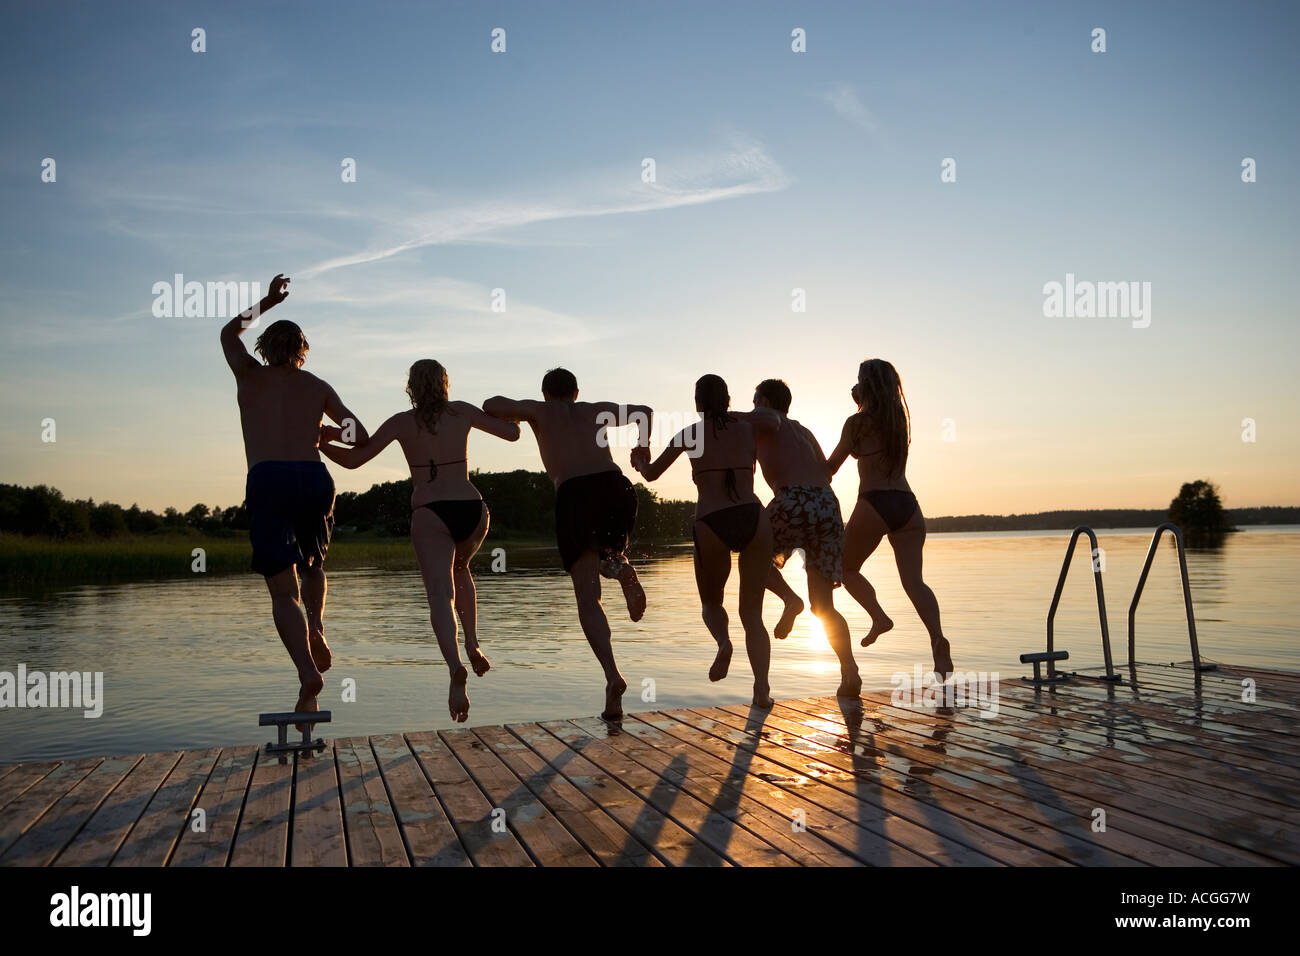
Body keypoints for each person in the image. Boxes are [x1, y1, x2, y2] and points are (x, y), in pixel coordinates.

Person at [319, 360, 520, 722]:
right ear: (445, 384)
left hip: (430, 510)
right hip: (472, 508)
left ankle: (455, 667)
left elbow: (354, 461)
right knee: (462, 569)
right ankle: (473, 643)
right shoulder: (462, 412)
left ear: (410, 387)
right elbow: (512, 435)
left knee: (440, 594)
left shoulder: (401, 422)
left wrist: (322, 443)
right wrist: (508, 411)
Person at [219, 273, 369, 727]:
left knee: (283, 591)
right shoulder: (317, 386)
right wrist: (325, 435)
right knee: (314, 565)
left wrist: (268, 301)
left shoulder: (249, 374)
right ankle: (318, 626)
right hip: (313, 476)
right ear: (303, 351)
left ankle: (307, 672)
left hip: (268, 478)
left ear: (264, 348)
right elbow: (359, 435)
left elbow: (228, 333)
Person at [484, 368, 651, 720]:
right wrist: (643, 446)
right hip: (615, 487)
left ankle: (613, 675)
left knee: (588, 598)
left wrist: (523, 413)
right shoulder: (595, 410)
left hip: (575, 494)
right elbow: (644, 412)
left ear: (546, 393)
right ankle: (620, 567)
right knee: (608, 554)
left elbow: (491, 404)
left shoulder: (540, 410)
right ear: (576, 393)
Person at [632, 375, 781, 707]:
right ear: (728, 399)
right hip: (753, 516)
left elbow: (652, 474)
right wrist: (735, 414)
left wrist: (639, 460)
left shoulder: (690, 434)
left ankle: (723, 643)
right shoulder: (748, 428)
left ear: (697, 403)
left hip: (711, 520)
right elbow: (774, 420)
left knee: (711, 603)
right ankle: (762, 690)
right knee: (753, 615)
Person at [827, 359, 954, 678]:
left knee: (844, 568)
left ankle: (879, 617)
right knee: (914, 582)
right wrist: (862, 403)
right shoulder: (898, 422)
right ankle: (937, 639)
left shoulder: (856, 423)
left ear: (867, 385)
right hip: (907, 504)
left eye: (859, 380)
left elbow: (832, 467)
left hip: (875, 501)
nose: (855, 384)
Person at [752, 378, 862, 698]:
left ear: (765, 402)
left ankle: (790, 599)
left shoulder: (764, 420)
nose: (752, 407)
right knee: (823, 605)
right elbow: (827, 472)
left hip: (793, 499)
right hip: (827, 504)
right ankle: (850, 671)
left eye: (755, 401)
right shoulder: (804, 431)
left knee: (753, 557)